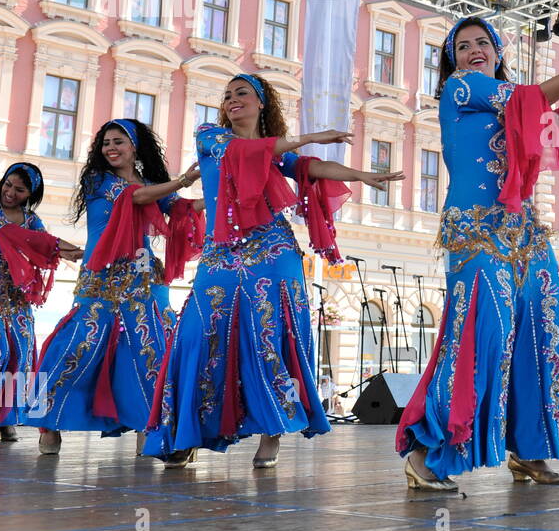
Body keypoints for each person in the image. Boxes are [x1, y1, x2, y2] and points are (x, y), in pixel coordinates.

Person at [396, 16, 559, 490]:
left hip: (522, 234)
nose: (474, 50)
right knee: (485, 336)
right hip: (476, 232)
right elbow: (539, 98)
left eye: (484, 43)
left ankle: (529, 450)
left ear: (499, 53)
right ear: (452, 60)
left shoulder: (515, 107)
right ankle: (426, 452)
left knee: (549, 330)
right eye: (463, 46)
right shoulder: (461, 89)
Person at [145, 72, 403, 469]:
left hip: (274, 251)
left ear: (262, 102)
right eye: (228, 93)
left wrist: (363, 176)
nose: (232, 98)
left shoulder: (274, 152)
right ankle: (186, 430)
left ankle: (272, 428)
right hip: (221, 255)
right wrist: (307, 136)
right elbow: (246, 153)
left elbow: (311, 169)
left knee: (270, 338)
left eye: (242, 92)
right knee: (197, 336)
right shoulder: (210, 136)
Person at [32, 119, 202, 456]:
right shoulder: (99, 180)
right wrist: (183, 179)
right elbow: (134, 198)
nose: (111, 148)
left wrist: (219, 191)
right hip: (102, 280)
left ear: (134, 147)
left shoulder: (152, 184)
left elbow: (181, 208)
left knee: (150, 351)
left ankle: (148, 426)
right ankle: (48, 421)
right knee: (78, 348)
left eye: (118, 142)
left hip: (144, 281)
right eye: (106, 143)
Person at [0, 164, 83, 442]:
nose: (10, 192)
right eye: (8, 184)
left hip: (14, 296)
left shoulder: (31, 219)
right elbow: (18, 237)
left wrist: (80, 251)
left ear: (31, 194)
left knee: (20, 351)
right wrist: (65, 249)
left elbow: (40, 241)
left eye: (19, 189)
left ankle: (4, 418)